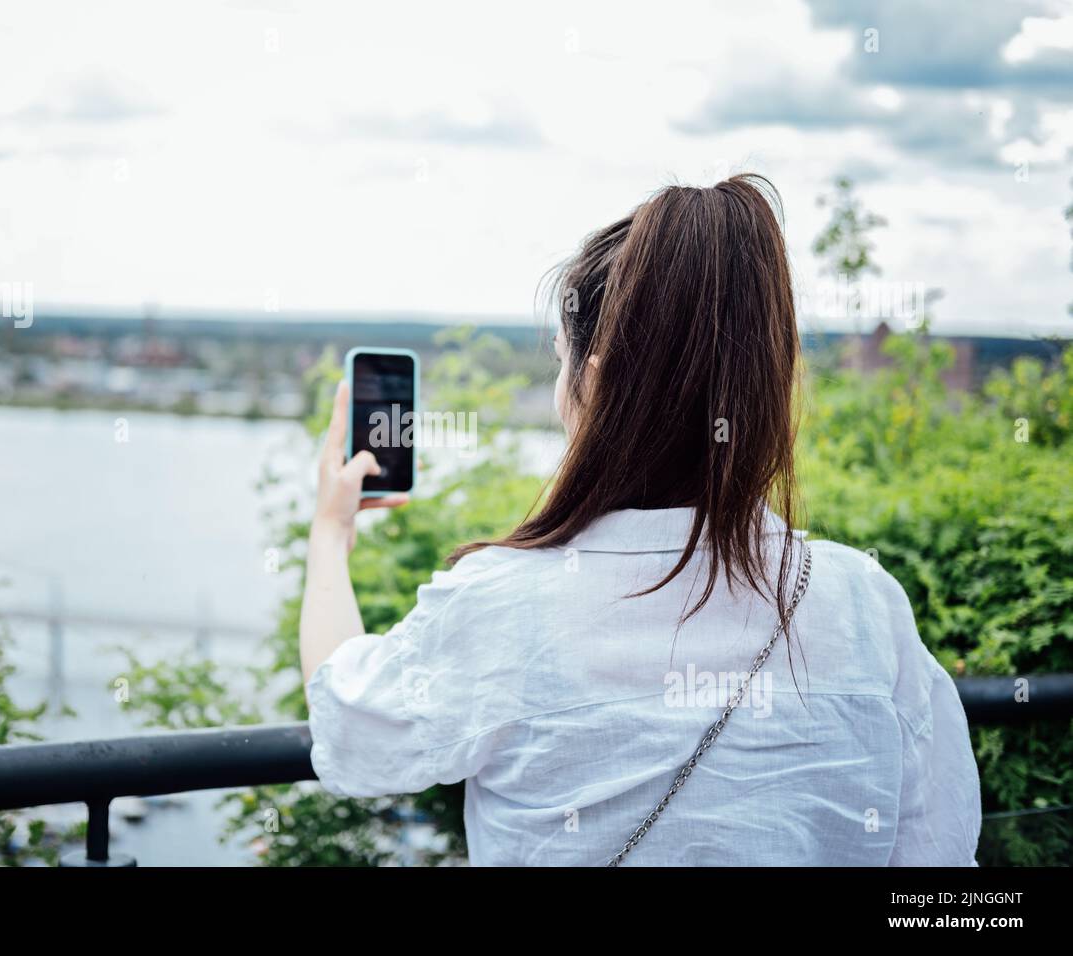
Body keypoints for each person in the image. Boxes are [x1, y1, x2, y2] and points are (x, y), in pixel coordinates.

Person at [298, 175, 982, 866]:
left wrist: (330, 535)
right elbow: (939, 855)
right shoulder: (866, 605)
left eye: (563, 365)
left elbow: (353, 733)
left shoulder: (501, 604)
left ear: (593, 384)